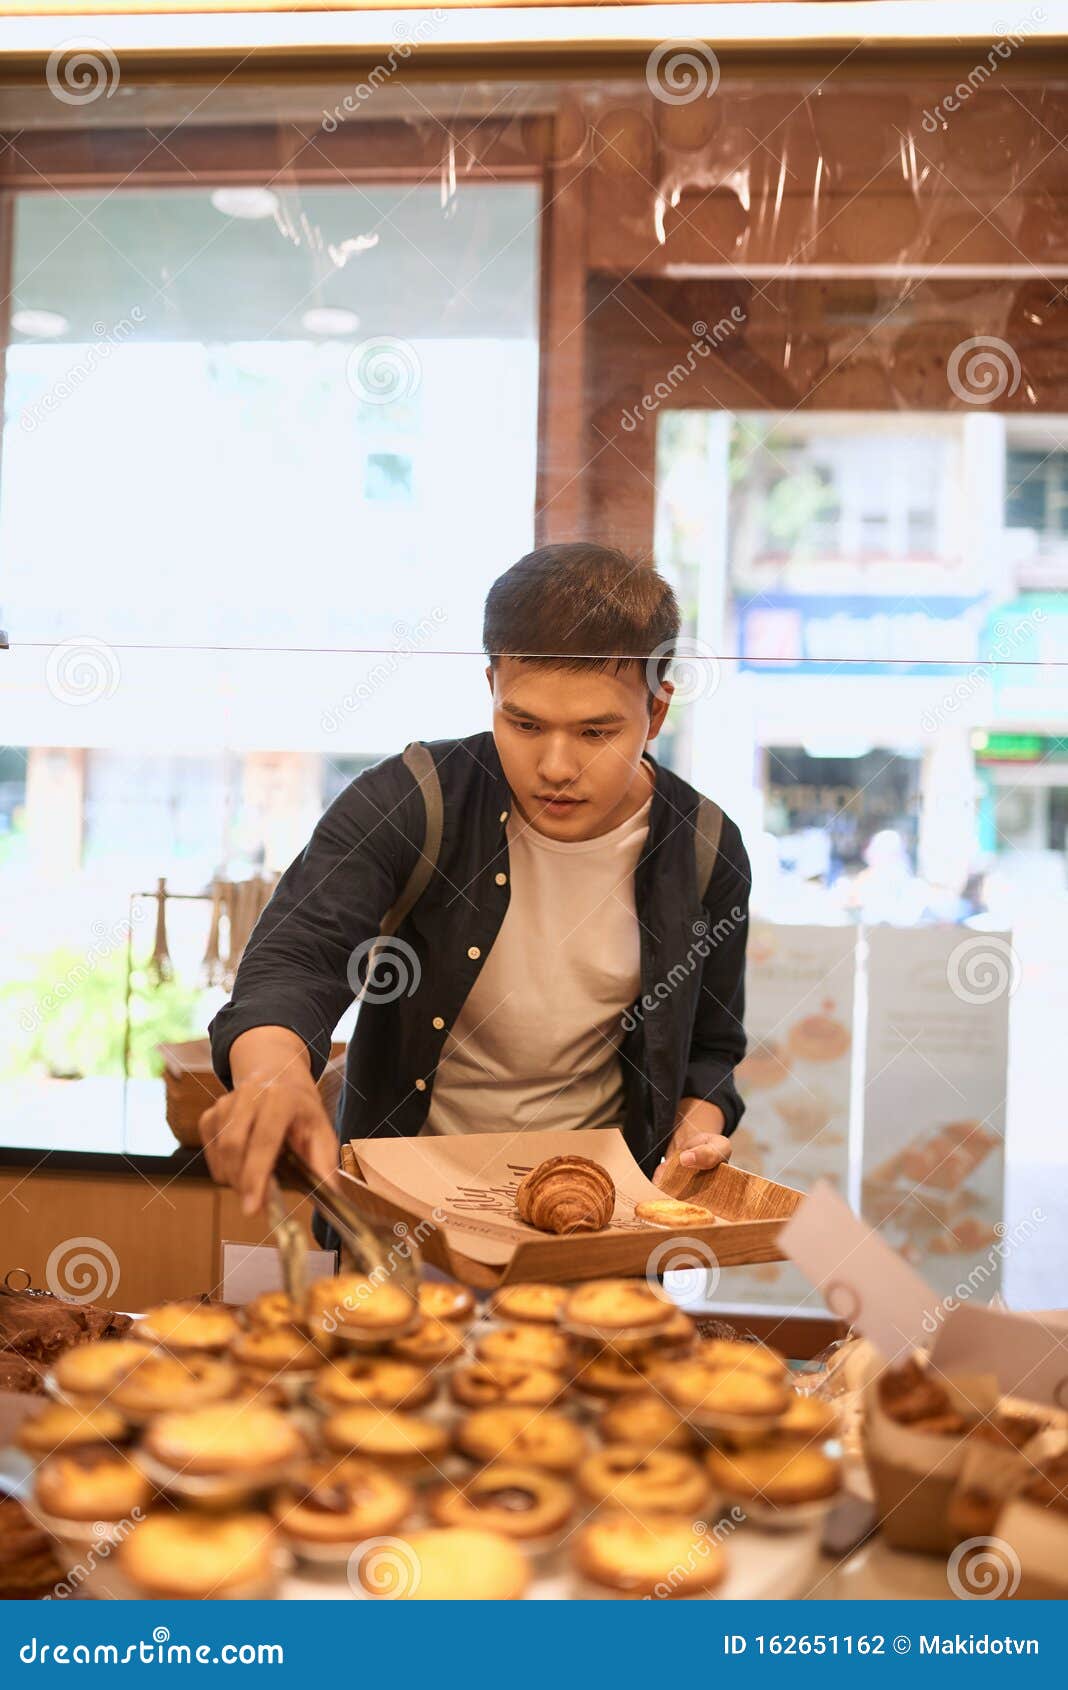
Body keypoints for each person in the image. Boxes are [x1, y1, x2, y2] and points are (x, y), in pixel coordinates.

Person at [199, 543, 751, 1221]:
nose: (555, 766)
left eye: (595, 732)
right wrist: (271, 1077)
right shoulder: (413, 802)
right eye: (524, 724)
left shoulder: (703, 848)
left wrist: (694, 1133)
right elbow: (297, 957)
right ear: (492, 685)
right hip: (405, 1216)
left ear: (656, 714)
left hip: (596, 1220)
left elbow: (711, 1048)